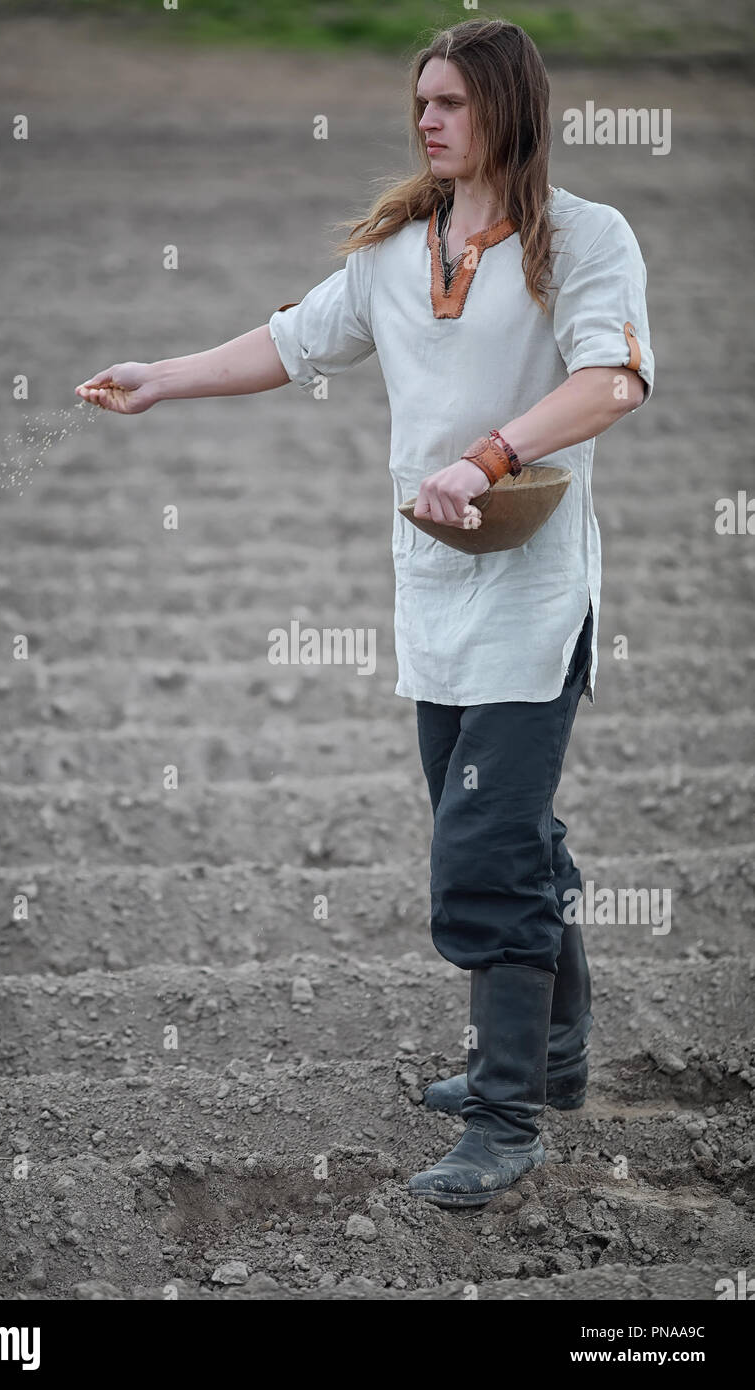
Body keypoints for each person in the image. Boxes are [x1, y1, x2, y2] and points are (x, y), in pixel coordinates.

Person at [75, 18, 654, 1209]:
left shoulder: (584, 237)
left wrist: (490, 455)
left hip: (535, 590)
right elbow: (294, 342)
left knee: (482, 854)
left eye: (449, 101)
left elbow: (611, 379)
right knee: (500, 826)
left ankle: (505, 1122)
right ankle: (550, 1053)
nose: (427, 120)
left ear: (504, 106)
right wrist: (163, 376)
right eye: (420, 102)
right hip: (434, 592)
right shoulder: (400, 247)